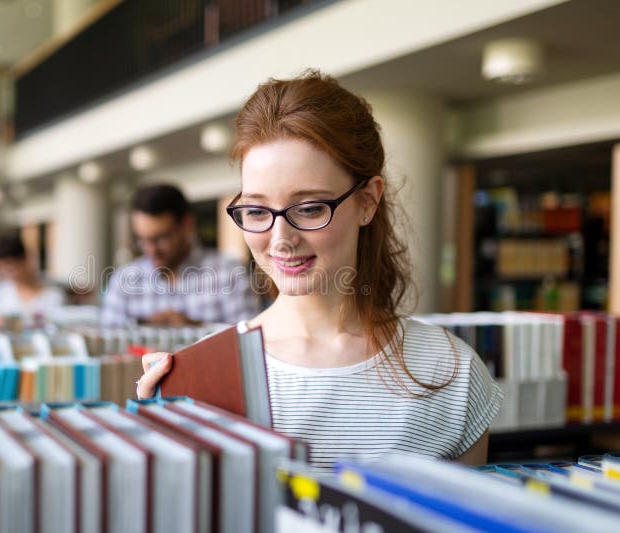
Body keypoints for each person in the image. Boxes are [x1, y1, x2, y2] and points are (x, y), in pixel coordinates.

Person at [136, 71, 503, 470]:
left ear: (368, 200)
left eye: (309, 208)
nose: (279, 239)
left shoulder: (451, 372)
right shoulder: (205, 378)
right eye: (257, 211)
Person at [101, 183, 260, 327]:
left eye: (161, 238)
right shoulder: (123, 280)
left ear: (187, 224)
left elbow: (248, 340)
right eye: (143, 240)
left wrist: (196, 328)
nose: (151, 250)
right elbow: (107, 342)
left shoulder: (229, 273)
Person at [0, 234, 65, 324]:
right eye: (1, 268)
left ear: (25, 260)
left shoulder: (53, 295)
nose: (6, 273)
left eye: (10, 267)